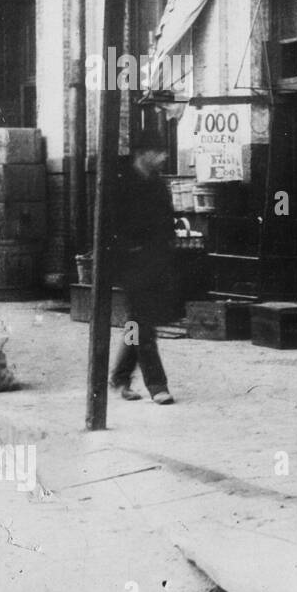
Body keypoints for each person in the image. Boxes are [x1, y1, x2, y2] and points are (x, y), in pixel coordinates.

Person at [109, 127, 177, 405]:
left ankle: (121, 378)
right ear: (143, 153)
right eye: (159, 152)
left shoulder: (158, 184)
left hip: (155, 262)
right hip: (131, 264)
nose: (162, 158)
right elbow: (112, 224)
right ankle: (157, 384)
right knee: (144, 323)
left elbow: (167, 221)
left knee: (138, 321)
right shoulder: (121, 182)